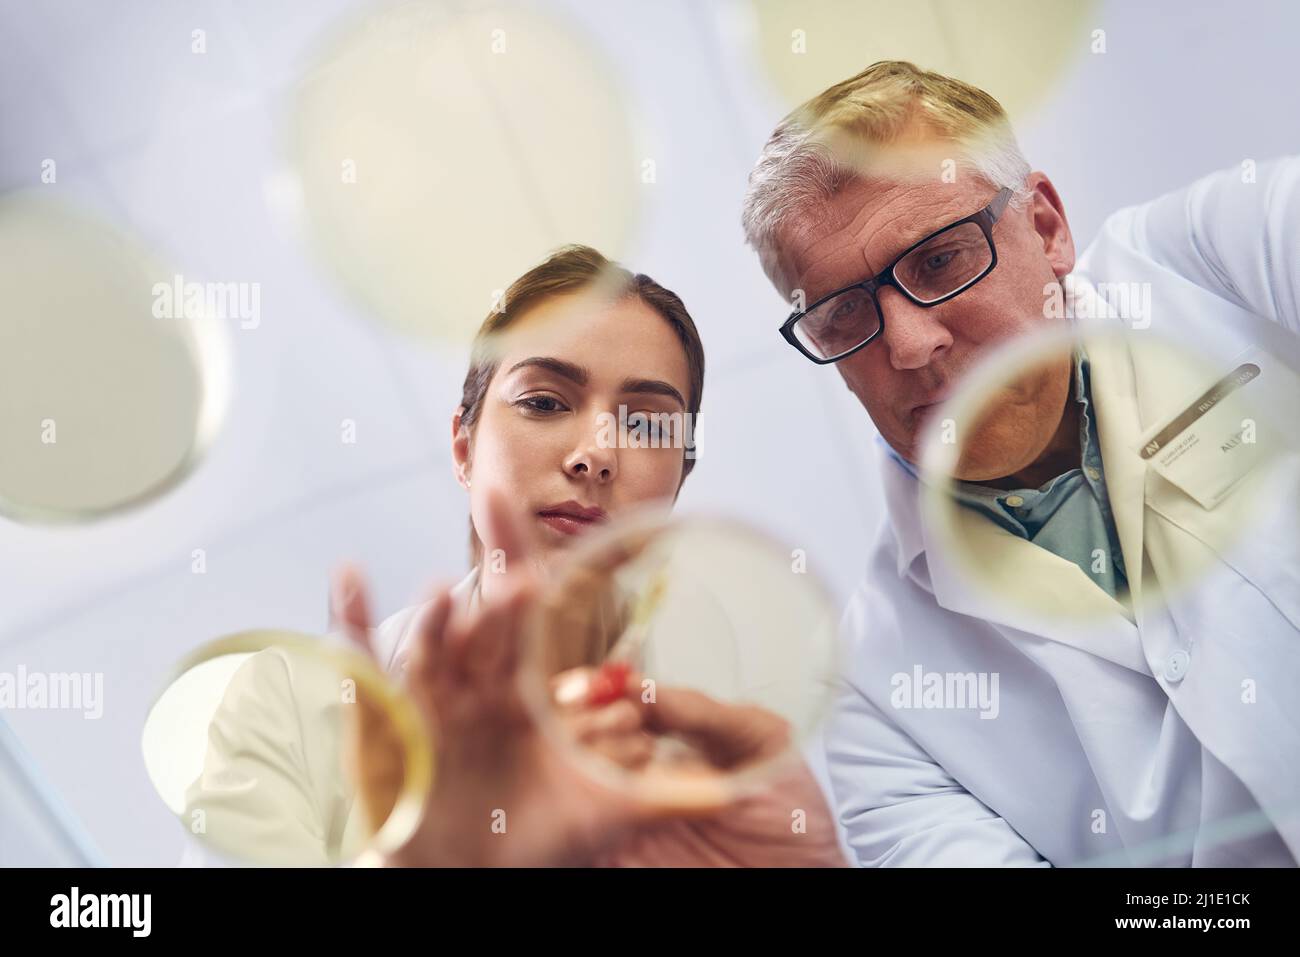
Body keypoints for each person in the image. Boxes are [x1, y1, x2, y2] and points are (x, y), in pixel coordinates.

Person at [741, 61, 1299, 865]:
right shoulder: (876, 695)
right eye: (846, 314)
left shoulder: (1219, 262)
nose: (909, 344)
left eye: (939, 261)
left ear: (1046, 228)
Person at [186, 245, 845, 867]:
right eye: (544, 401)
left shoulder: (740, 760)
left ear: (680, 479)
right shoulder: (286, 705)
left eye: (646, 423)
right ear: (464, 447)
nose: (596, 455)